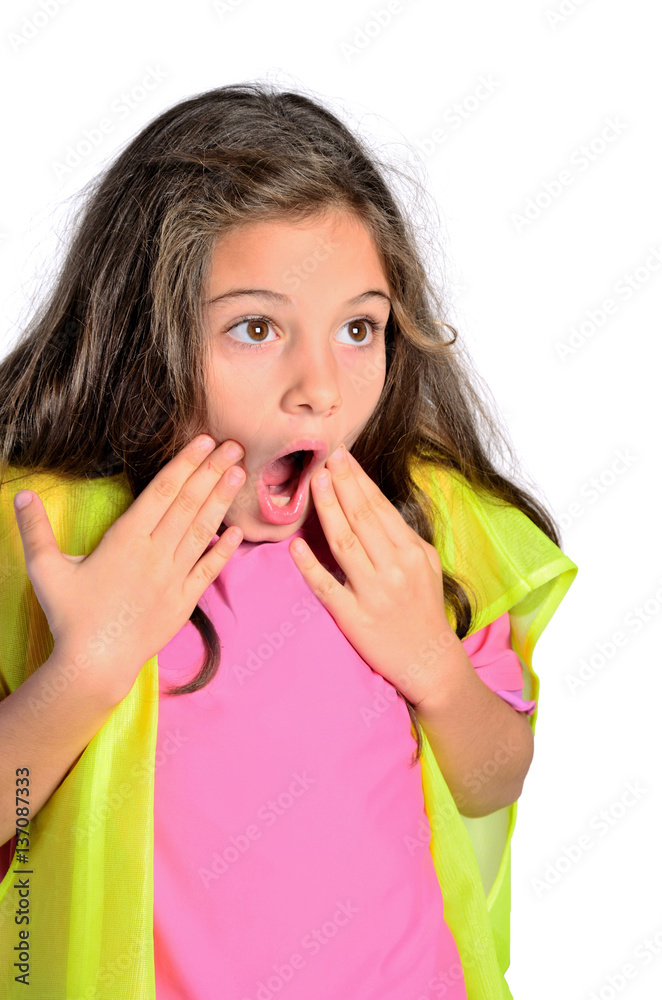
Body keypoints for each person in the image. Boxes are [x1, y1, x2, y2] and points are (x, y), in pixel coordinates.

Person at [0, 82, 577, 999]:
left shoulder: (415, 529)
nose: (321, 387)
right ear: (141, 341)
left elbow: (492, 779)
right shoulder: (53, 542)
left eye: (359, 329)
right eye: (257, 328)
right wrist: (89, 668)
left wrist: (433, 663)